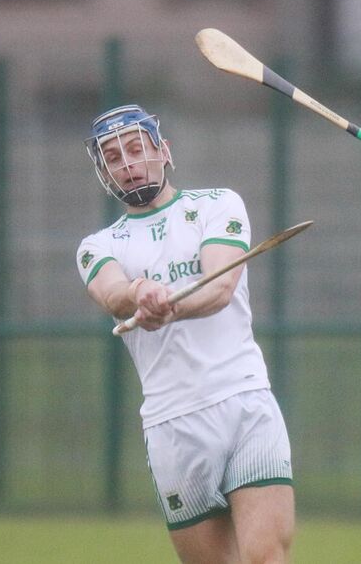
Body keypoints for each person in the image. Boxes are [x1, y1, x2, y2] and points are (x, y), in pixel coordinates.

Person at [76, 104, 294, 563]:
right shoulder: (98, 245)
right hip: (172, 424)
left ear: (164, 150)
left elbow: (219, 288)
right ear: (104, 173)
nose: (128, 164)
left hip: (244, 402)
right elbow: (112, 294)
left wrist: (168, 308)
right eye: (113, 158)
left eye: (136, 149)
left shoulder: (217, 205)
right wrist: (138, 292)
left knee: (266, 557)